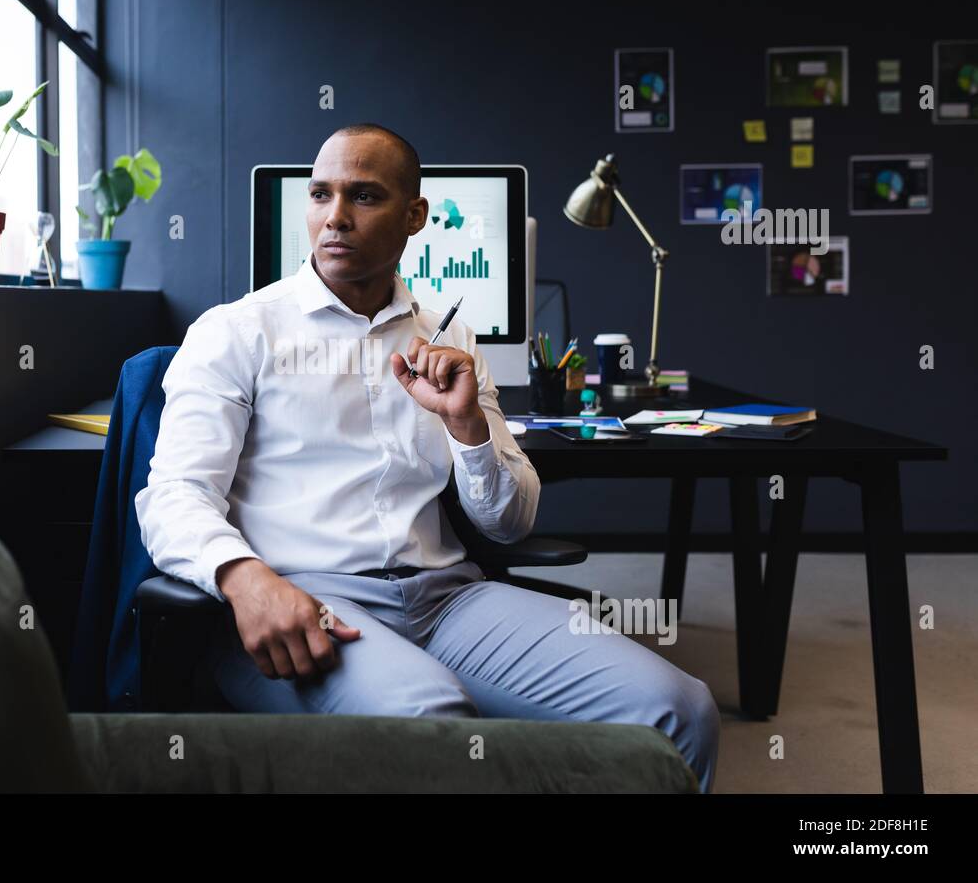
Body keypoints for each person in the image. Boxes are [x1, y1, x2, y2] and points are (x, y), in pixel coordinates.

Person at [134, 123, 720, 791]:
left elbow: (510, 523)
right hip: (305, 604)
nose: (335, 218)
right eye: (321, 195)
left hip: (448, 599)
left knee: (681, 712)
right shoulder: (237, 331)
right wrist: (247, 580)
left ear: (415, 215)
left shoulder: (450, 335)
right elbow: (173, 498)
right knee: (434, 732)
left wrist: (467, 425)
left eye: (363, 196)